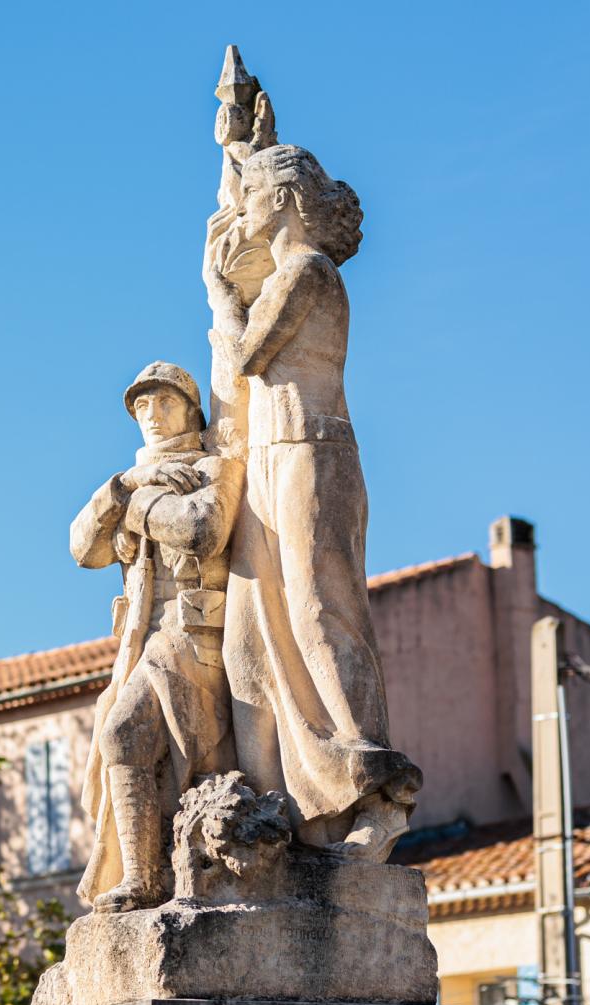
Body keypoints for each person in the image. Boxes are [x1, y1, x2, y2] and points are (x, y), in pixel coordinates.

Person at [203, 143, 421, 861]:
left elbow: (245, 357)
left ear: (286, 199)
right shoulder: (280, 277)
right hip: (266, 459)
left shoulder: (307, 272)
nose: (243, 213)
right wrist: (235, 147)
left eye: (253, 196)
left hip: (310, 450)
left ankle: (377, 792)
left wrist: (216, 291)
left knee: (321, 613)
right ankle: (276, 815)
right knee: (249, 642)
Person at [71, 361, 244, 912]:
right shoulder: (132, 482)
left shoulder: (216, 466)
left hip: (194, 632)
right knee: (128, 743)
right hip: (143, 641)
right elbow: (83, 549)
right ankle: (146, 877)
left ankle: (145, 879)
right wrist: (125, 485)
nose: (150, 414)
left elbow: (201, 529)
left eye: (163, 402)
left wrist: (141, 504)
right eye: (140, 406)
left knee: (124, 735)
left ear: (192, 409)